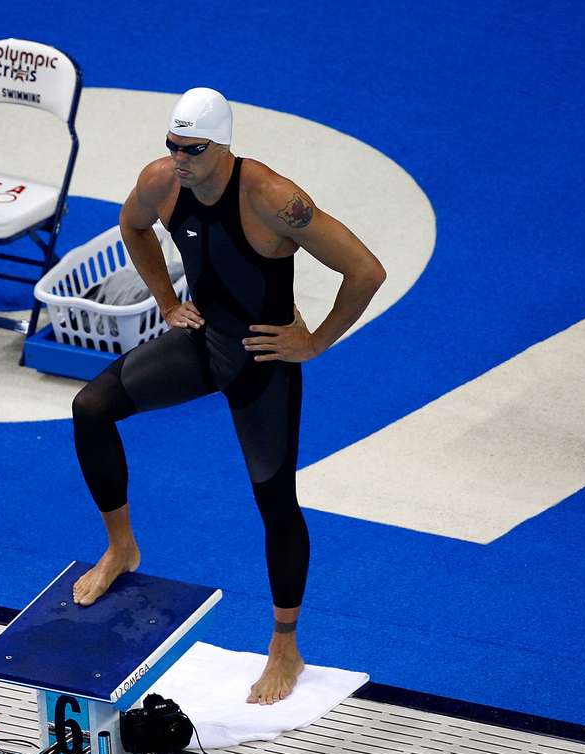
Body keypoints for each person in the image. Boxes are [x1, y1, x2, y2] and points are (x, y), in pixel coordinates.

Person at [70, 88, 385, 704]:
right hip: (202, 339)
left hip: (263, 359)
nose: (180, 158)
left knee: (275, 501)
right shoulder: (162, 182)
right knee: (91, 408)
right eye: (173, 146)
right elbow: (131, 226)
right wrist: (166, 300)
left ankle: (285, 645)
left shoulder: (271, 197)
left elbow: (366, 270)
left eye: (193, 149)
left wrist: (314, 341)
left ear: (222, 146)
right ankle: (121, 547)